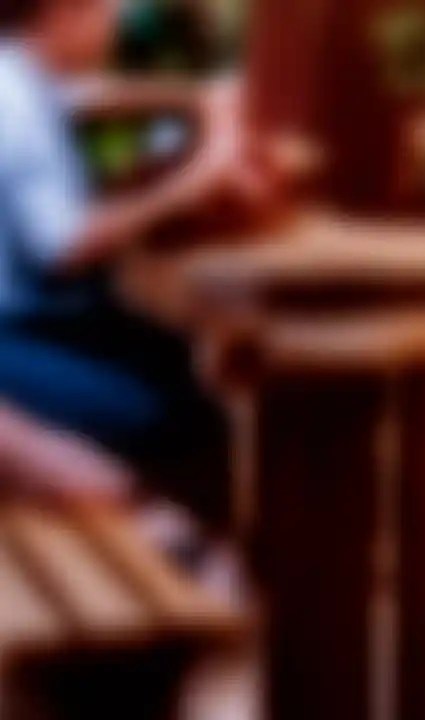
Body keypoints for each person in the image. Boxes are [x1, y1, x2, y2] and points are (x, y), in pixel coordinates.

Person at [0, 0, 254, 509]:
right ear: (66, 13)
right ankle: (187, 546)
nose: (115, 24)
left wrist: (204, 103)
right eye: (105, 11)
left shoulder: (24, 75)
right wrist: (196, 179)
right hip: (15, 335)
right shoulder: (13, 99)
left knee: (183, 361)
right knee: (182, 414)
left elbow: (98, 96)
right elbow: (65, 246)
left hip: (43, 317)